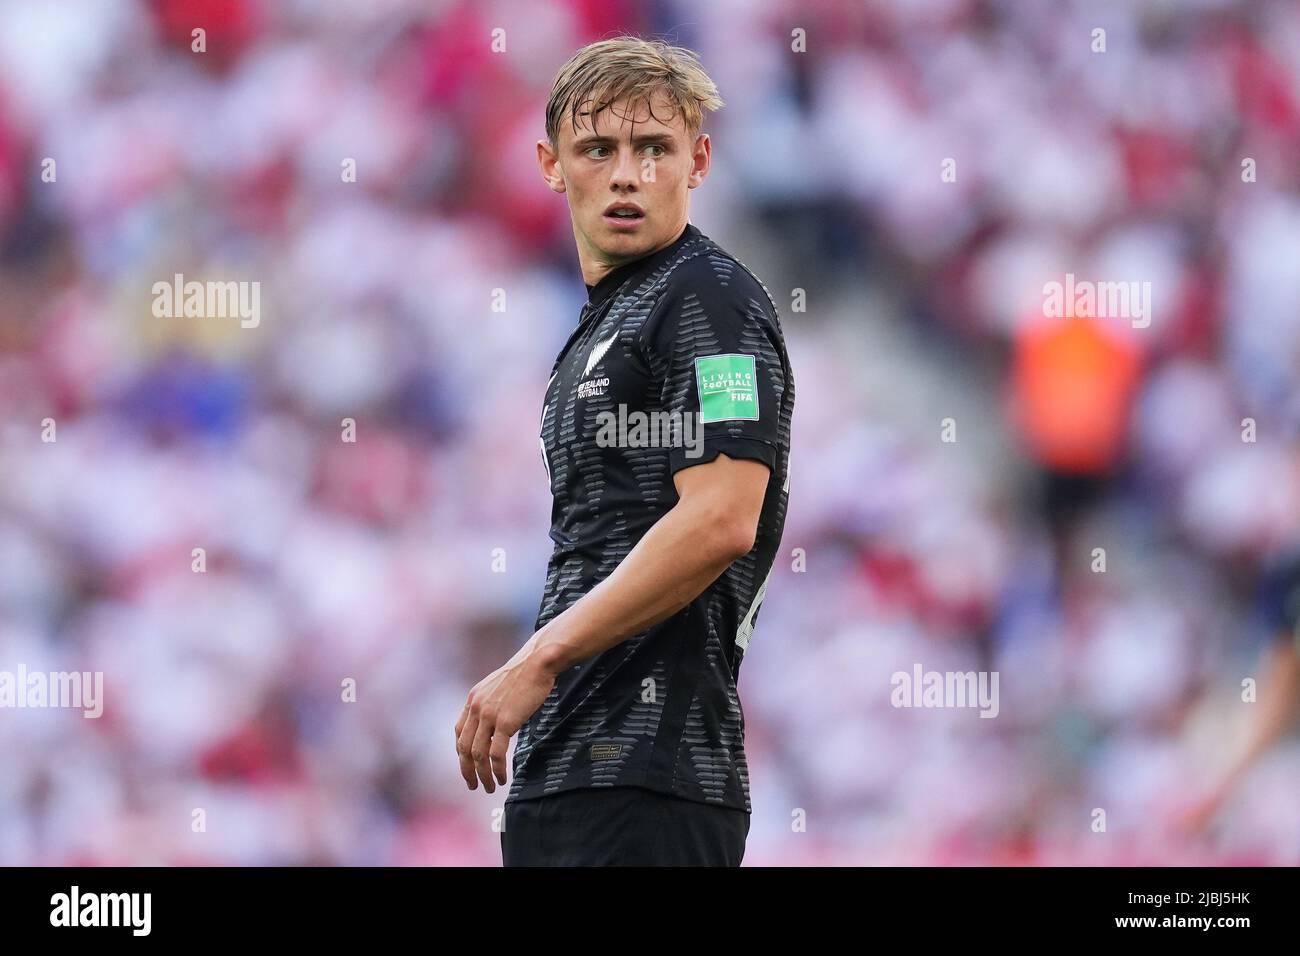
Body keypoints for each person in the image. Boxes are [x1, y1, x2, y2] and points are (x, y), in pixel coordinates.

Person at [453, 35, 795, 866]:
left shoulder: (709, 302)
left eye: (654, 148)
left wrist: (543, 654)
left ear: (699, 160)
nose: (627, 174)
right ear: (549, 164)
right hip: (570, 767)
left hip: (651, 776)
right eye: (597, 149)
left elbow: (721, 518)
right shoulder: (611, 320)